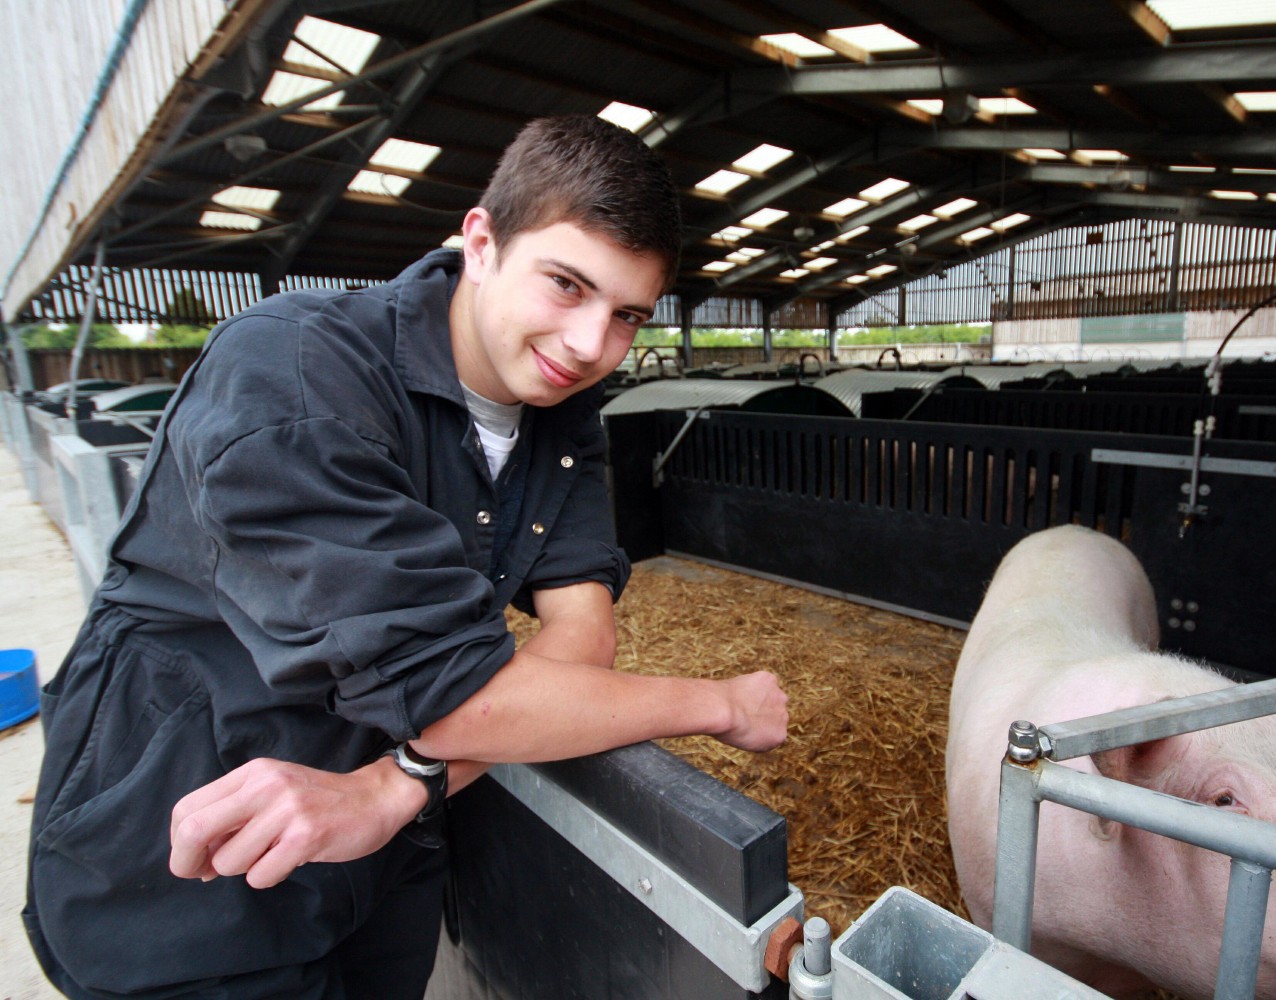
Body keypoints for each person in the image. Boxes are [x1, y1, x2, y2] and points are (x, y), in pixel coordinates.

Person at [24, 114, 789, 1000]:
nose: (590, 345)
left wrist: (399, 788)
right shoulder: (297, 374)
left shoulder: (563, 423)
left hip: (374, 843)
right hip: (189, 852)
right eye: (565, 285)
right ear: (480, 243)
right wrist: (721, 704)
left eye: (625, 315)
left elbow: (583, 636)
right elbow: (465, 703)